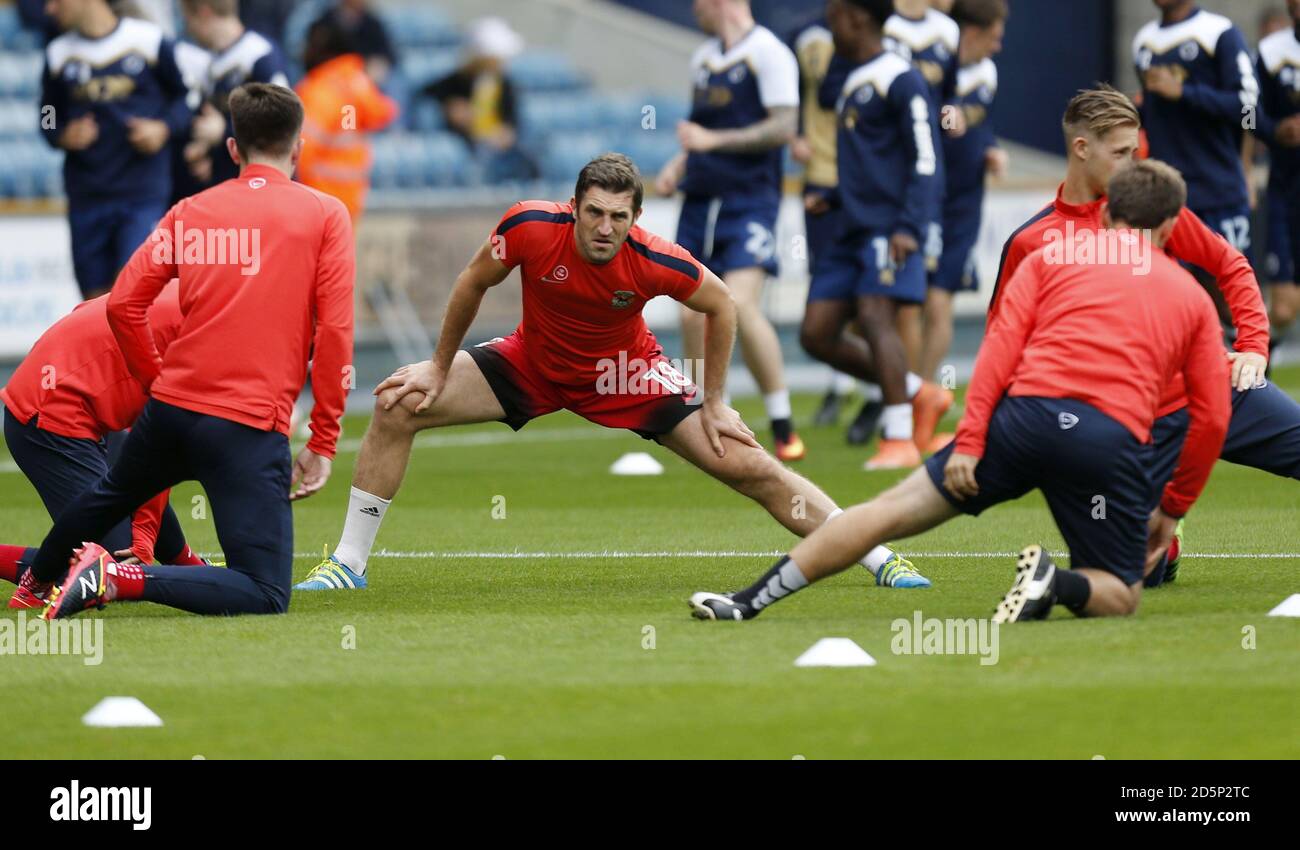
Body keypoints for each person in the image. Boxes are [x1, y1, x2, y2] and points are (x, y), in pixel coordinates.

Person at [296, 153, 931, 593]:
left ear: (635, 220)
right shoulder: (526, 227)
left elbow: (721, 303)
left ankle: (873, 551)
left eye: (619, 217)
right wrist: (437, 368)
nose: (605, 228)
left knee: (750, 465)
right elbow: (471, 282)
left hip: (625, 376)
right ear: (573, 206)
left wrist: (713, 401)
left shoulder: (654, 259)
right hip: (532, 363)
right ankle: (349, 561)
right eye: (594, 213)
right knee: (396, 402)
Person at [690, 161, 1231, 623]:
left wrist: (971, 440)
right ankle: (1055, 584)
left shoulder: (1049, 259)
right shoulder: (1190, 295)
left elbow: (998, 351)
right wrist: (1173, 506)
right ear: (1170, 227)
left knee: (883, 513)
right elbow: (1211, 418)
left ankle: (748, 602)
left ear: (1108, 212)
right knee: (1120, 593)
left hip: (1021, 422)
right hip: (1105, 442)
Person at [19, 83, 354, 619]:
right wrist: (324, 437)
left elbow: (123, 304)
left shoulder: (190, 210)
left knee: (109, 497)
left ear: (231, 149)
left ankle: (36, 580)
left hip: (168, 413)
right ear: (298, 148)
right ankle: (119, 579)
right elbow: (336, 331)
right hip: (246, 421)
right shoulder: (326, 215)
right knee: (266, 592)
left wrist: (157, 384)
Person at [994, 85, 1300, 589]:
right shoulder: (1031, 242)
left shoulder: (1144, 209)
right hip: (1124, 425)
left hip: (1213, 386)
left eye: (1137, 152)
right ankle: (1159, 530)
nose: (1135, 164)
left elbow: (1231, 265)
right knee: (1132, 577)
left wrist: (1253, 346)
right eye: (1122, 153)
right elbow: (1005, 346)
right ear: (1082, 149)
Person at [796, 0, 950, 471]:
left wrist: (910, 225)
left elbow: (926, 159)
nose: (829, 24)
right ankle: (918, 393)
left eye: (836, 15)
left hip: (889, 228)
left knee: (876, 314)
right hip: (850, 225)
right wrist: (835, 196)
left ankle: (900, 437)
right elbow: (873, 165)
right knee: (816, 334)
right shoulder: (850, 82)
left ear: (858, 18)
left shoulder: (899, 79)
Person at [653, 0, 805, 461]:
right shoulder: (703, 59)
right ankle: (709, 410)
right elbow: (701, 130)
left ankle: (782, 423)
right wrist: (678, 165)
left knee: (738, 303)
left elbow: (783, 128)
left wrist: (710, 143)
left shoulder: (769, 53)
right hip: (701, 200)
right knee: (689, 312)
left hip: (749, 199)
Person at [0, 281, 206, 609]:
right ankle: (37, 578)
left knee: (136, 502)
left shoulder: (201, 294)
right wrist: (142, 540)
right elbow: (162, 442)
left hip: (77, 397)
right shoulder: (208, 328)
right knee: (112, 570)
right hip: (51, 413)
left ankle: (190, 567)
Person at [40, 0, 197, 299]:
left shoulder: (149, 41)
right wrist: (59, 133)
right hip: (87, 197)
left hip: (141, 194)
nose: (49, 9)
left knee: (132, 295)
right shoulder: (58, 53)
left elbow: (186, 97)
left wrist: (163, 128)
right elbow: (47, 110)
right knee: (94, 303)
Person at [919, 0, 1008, 382]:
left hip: (963, 203)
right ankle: (895, 394)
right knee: (905, 303)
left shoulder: (987, 73)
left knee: (940, 301)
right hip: (923, 198)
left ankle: (922, 396)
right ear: (970, 33)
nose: (997, 47)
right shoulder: (930, 67)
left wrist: (990, 147)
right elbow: (938, 118)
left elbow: (975, 125)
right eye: (994, 37)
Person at [1134, 0, 1259, 256]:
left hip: (1218, 193)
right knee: (1166, 292)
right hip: (1164, 197)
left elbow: (1249, 108)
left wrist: (1184, 92)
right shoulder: (1143, 42)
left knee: (1227, 289)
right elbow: (1151, 113)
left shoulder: (1220, 32)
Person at [882, 0, 960, 377]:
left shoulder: (947, 30)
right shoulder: (881, 23)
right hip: (885, 176)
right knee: (891, 301)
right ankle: (897, 396)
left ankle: (918, 394)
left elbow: (950, 97)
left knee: (921, 297)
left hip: (927, 177)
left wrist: (951, 116)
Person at [171, 0, 291, 199]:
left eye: (188, 19)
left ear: (204, 13)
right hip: (236, 191)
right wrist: (209, 156)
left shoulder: (258, 55)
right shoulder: (211, 64)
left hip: (270, 194)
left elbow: (282, 121)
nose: (188, 29)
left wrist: (223, 131)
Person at [295, 16, 399, 223]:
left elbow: (300, 154)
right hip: (350, 200)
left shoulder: (319, 90)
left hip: (318, 202)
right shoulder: (358, 81)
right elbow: (383, 112)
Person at [423, 17, 538, 184]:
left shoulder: (505, 84)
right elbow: (428, 94)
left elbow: (512, 118)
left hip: (498, 143)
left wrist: (506, 132)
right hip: (468, 142)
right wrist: (450, 107)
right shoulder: (458, 80)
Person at [1254, 0, 1300, 356]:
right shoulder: (1270, 52)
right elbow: (1244, 113)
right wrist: (1274, 130)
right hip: (1286, 190)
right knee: (1283, 308)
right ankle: (1253, 375)